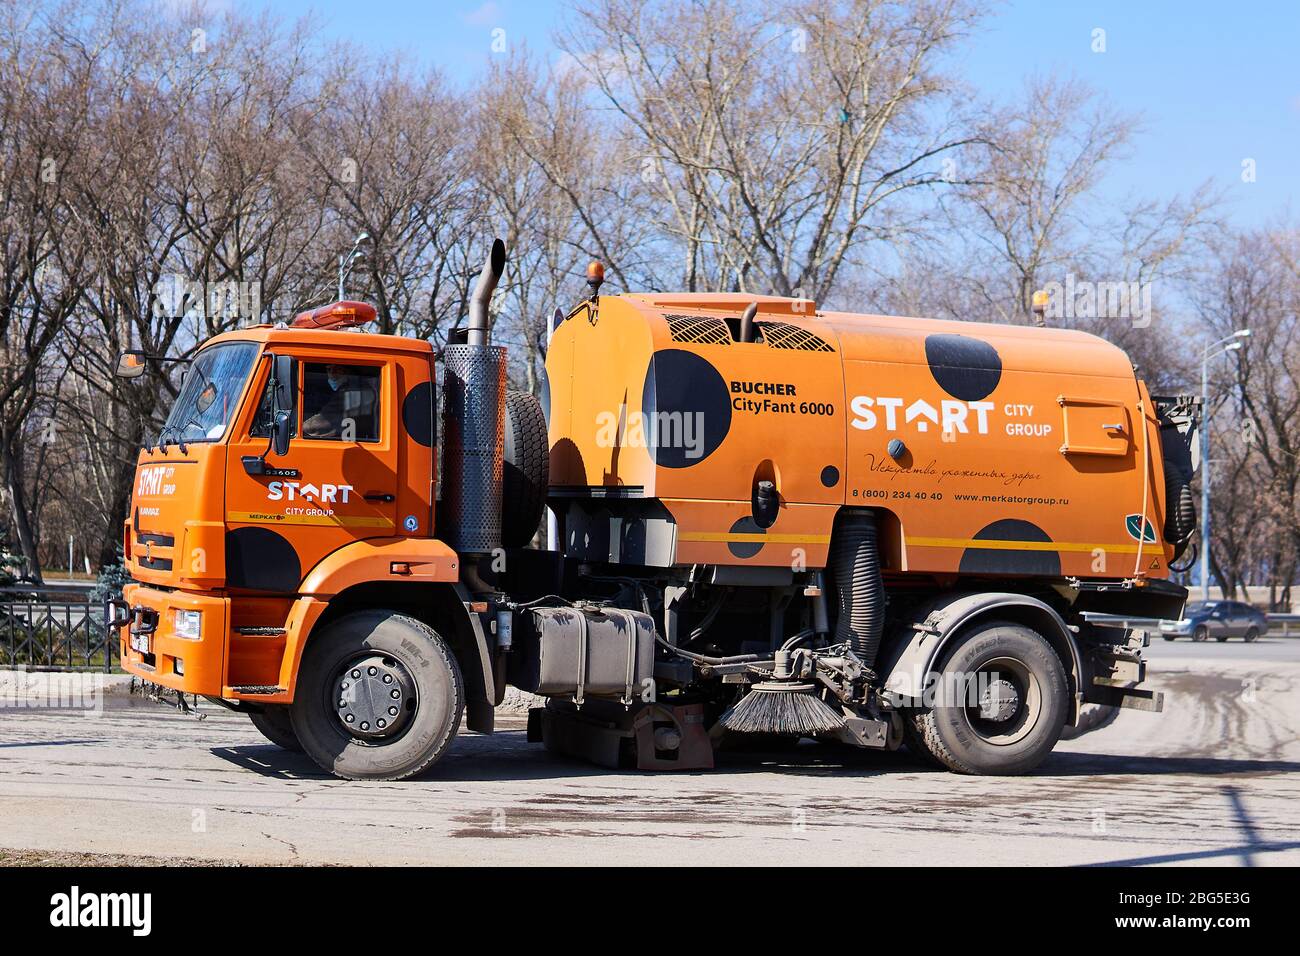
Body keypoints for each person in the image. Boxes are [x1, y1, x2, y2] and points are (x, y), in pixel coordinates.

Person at [303, 364, 376, 440]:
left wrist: (298, 429)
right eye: (329, 370)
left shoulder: (352, 391)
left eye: (338, 369)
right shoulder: (361, 387)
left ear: (349, 371)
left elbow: (316, 424)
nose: (332, 373)